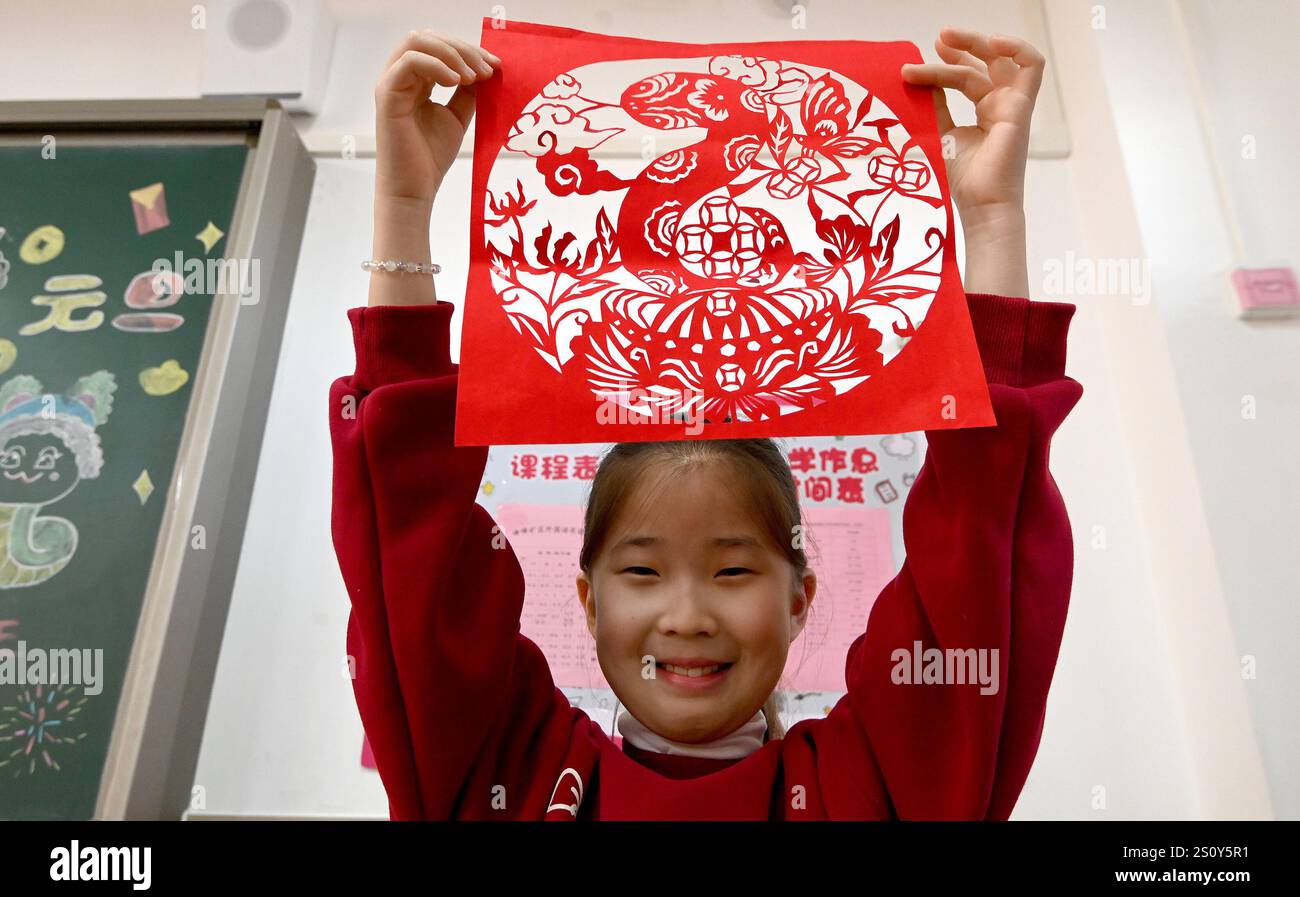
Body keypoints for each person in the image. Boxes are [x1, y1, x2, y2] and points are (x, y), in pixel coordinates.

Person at [330, 25, 1083, 819]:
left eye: (732, 571)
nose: (687, 618)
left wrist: (994, 217)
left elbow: (982, 529)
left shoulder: (873, 787)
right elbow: (408, 536)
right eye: (642, 572)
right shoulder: (507, 772)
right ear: (587, 602)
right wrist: (404, 205)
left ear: (800, 597)